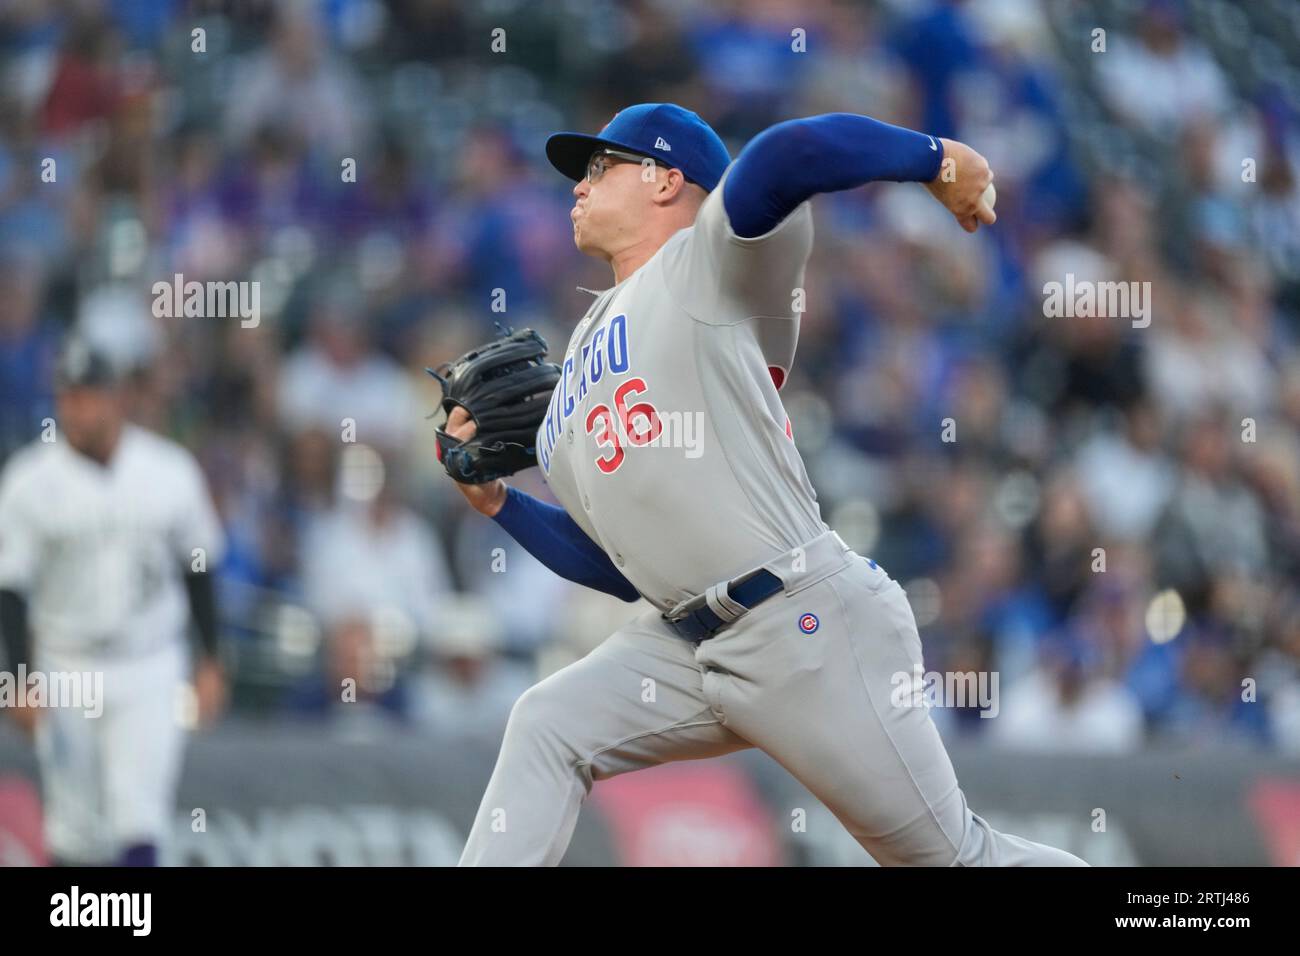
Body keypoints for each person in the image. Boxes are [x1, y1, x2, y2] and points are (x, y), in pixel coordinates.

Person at [446, 103, 1086, 866]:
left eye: (599, 167)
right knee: (549, 723)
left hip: (800, 621)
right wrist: (501, 505)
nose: (578, 187)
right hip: (683, 644)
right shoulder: (578, 357)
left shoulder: (710, 267)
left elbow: (793, 151)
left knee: (953, 861)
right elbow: (619, 568)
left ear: (666, 180)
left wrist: (937, 159)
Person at [0, 336, 226, 865]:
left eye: (91, 394)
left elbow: (200, 565)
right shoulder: (30, 481)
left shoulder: (168, 471)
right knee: (74, 827)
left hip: (149, 660)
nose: (80, 407)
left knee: (139, 814)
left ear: (117, 397)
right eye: (71, 395)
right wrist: (19, 676)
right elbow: (10, 586)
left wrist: (212, 658)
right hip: (66, 660)